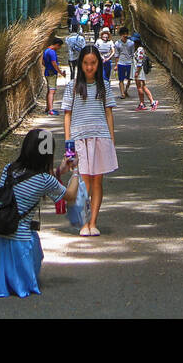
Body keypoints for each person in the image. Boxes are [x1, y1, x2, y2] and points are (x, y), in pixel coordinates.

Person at [0, 129, 81, 297]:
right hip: (16, 237)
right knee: (32, 236)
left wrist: (59, 171)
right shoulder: (45, 180)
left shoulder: (9, 169)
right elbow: (70, 196)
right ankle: (19, 280)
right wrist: (75, 172)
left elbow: (28, 183)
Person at [61, 46, 118, 236]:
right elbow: (67, 115)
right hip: (79, 139)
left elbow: (109, 113)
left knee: (97, 181)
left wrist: (111, 138)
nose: (89, 67)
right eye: (85, 63)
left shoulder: (105, 86)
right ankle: (84, 223)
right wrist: (68, 142)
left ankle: (93, 221)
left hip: (100, 136)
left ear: (98, 64)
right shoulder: (72, 86)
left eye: (93, 63)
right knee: (83, 181)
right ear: (80, 64)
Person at [132, 35, 158, 110]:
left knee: (139, 87)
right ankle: (151, 102)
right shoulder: (138, 49)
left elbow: (140, 61)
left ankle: (143, 103)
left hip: (139, 70)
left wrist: (137, 72)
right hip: (139, 70)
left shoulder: (140, 49)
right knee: (143, 86)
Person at [43, 38, 63, 115]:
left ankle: (48, 107)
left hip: (47, 72)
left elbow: (43, 62)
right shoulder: (52, 52)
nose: (59, 48)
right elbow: (54, 64)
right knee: (52, 91)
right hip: (51, 74)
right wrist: (60, 72)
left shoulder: (46, 50)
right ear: (57, 45)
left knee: (49, 90)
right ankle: (51, 110)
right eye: (59, 46)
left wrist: (47, 67)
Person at [114, 26, 135, 99]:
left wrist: (133, 63)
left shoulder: (131, 43)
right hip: (121, 63)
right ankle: (122, 93)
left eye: (126, 34)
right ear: (121, 35)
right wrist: (116, 65)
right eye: (123, 34)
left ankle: (126, 90)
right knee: (121, 79)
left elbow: (132, 54)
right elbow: (116, 55)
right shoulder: (117, 43)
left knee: (130, 79)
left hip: (129, 63)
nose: (125, 35)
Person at [95, 27, 116, 93]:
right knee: (102, 74)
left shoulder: (110, 42)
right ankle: (103, 87)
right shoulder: (98, 41)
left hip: (108, 60)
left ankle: (106, 85)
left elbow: (113, 51)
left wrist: (108, 58)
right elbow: (96, 50)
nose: (105, 37)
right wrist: (102, 57)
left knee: (107, 73)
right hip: (100, 60)